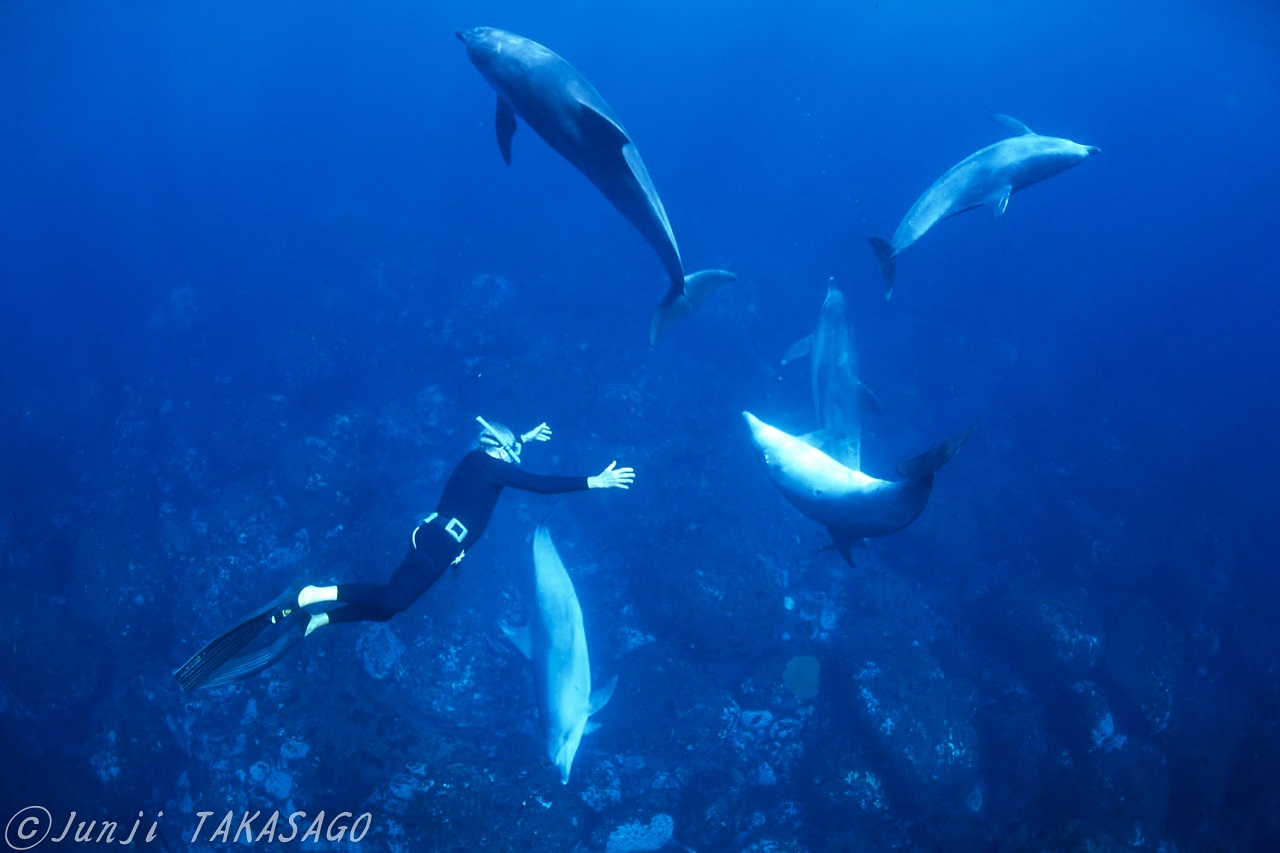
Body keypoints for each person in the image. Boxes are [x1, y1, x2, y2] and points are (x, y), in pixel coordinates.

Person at [174, 416, 634, 691]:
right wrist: (593, 481)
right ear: (498, 449)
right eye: (512, 449)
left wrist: (526, 436)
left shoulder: (485, 461)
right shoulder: (484, 464)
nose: (515, 455)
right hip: (435, 543)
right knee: (392, 599)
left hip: (443, 547)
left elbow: (508, 453)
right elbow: (536, 482)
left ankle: (317, 621)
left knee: (389, 612)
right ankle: (311, 594)